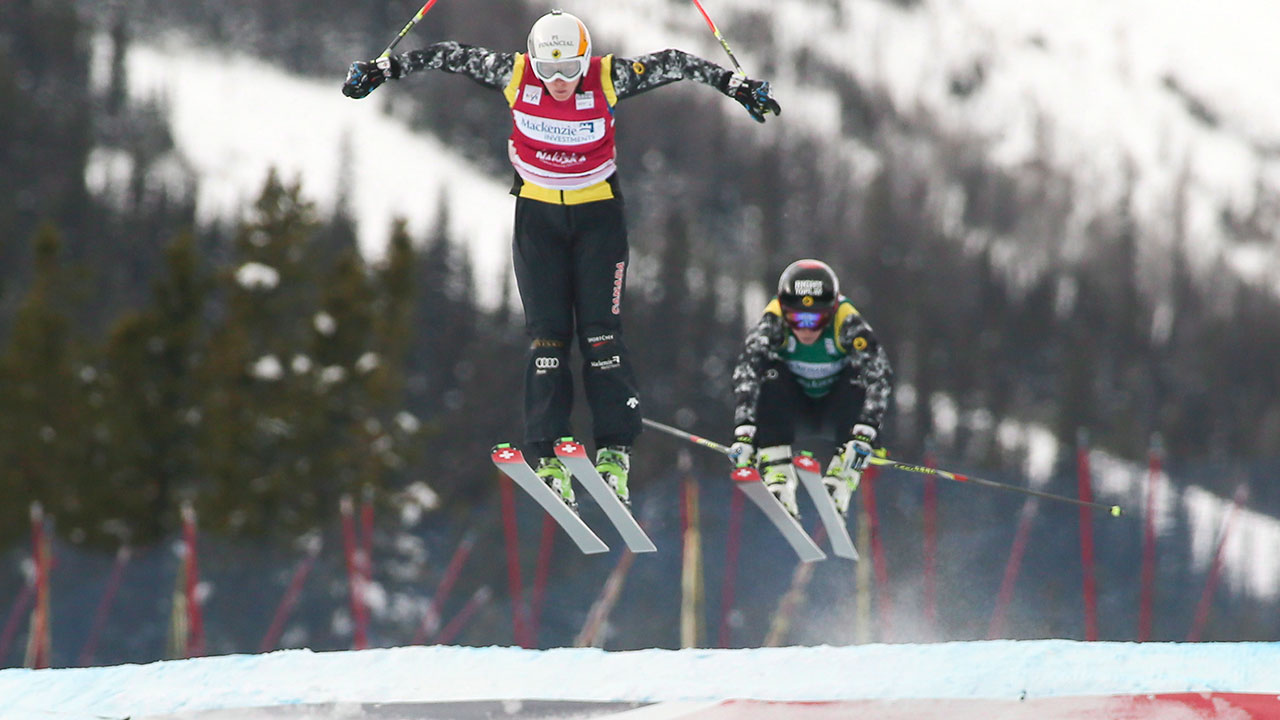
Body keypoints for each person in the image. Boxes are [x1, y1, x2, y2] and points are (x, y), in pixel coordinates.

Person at [343, 10, 781, 511]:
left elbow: (676, 61)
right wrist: (384, 69)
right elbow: (448, 55)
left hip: (598, 218)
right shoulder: (513, 74)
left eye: (569, 70)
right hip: (538, 220)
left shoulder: (608, 77)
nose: (558, 83)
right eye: (548, 71)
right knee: (546, 337)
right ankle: (548, 452)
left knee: (600, 335)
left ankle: (614, 452)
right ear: (533, 63)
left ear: (584, 61)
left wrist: (735, 84)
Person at [729, 259, 893, 518]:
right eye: (797, 318)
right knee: (769, 375)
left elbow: (880, 375)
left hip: (837, 408)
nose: (806, 329)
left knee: (857, 376)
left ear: (831, 310)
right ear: (785, 310)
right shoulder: (773, 320)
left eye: (816, 320)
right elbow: (746, 371)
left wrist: (866, 432)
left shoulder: (847, 322)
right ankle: (778, 472)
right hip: (794, 408)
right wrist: (745, 432)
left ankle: (842, 477)